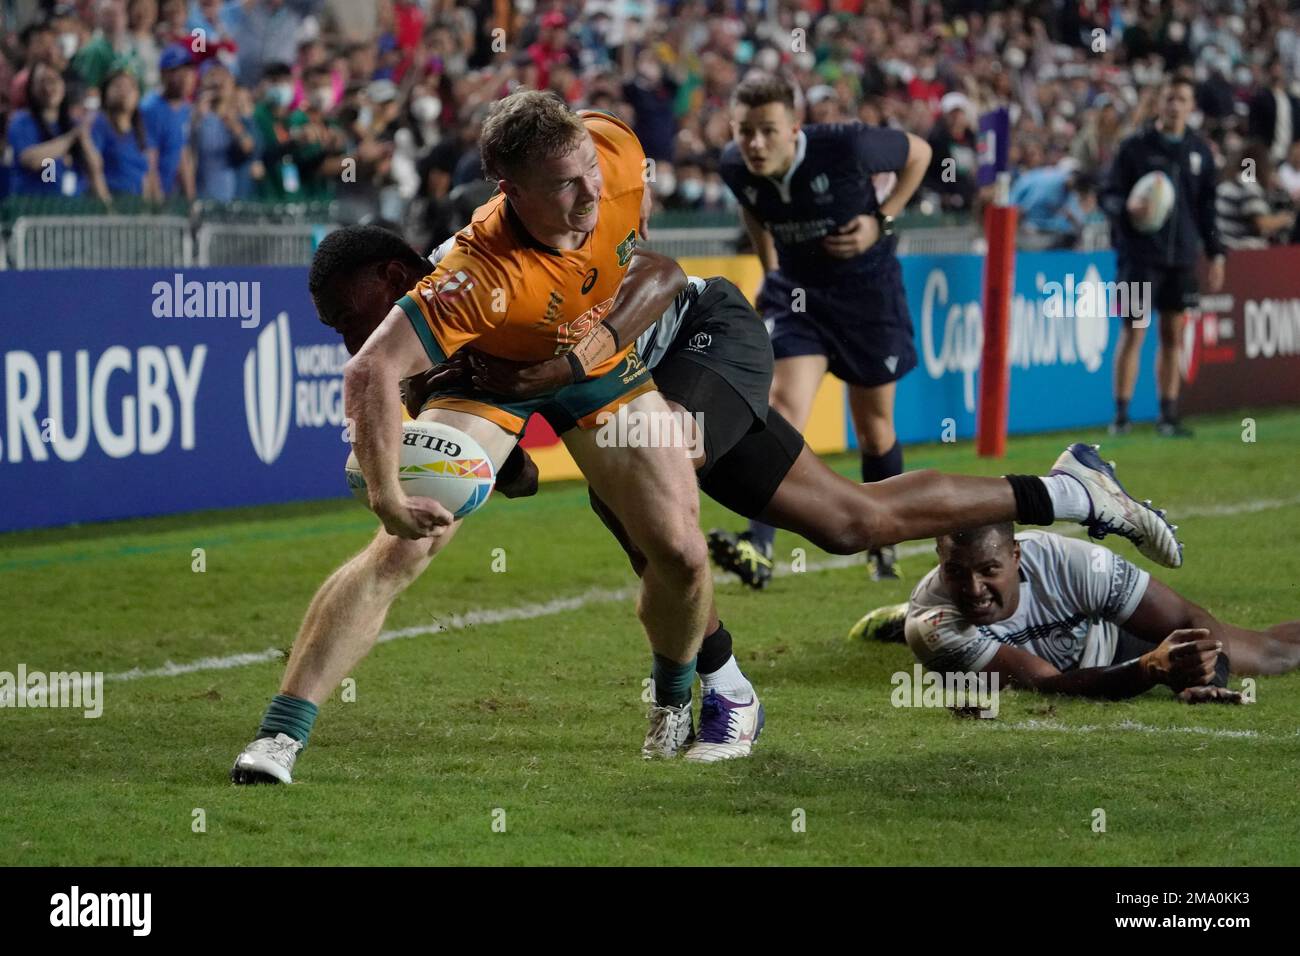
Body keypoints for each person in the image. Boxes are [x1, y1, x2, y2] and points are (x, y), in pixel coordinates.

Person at [230, 91, 726, 783]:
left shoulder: (612, 145)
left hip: (601, 363)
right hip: (494, 377)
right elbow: (371, 367)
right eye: (563, 185)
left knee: (681, 553)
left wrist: (591, 335)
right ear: (511, 191)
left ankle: (673, 701)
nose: (589, 193)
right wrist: (385, 495)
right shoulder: (477, 273)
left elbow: (642, 242)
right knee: (402, 551)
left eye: (589, 172)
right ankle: (279, 737)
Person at [714, 71, 932, 585]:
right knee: (781, 411)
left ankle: (884, 542)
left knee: (874, 429)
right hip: (798, 299)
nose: (755, 143)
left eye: (768, 130)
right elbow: (753, 210)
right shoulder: (733, 165)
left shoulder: (848, 145)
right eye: (745, 130)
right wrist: (769, 270)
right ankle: (758, 548)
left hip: (868, 297)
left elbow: (920, 153)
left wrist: (882, 220)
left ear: (795, 128)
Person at [852, 523, 1300, 703]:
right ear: (938, 559)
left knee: (1275, 656)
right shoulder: (935, 622)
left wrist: (1205, 679)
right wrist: (1149, 670)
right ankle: (899, 624)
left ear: (1016, 555)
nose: (973, 589)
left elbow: (1189, 620)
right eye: (956, 572)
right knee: (932, 634)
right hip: (1045, 662)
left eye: (989, 570)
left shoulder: (1073, 563)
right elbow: (1046, 684)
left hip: (1106, 636)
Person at [1102, 75, 1226, 439]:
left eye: (1181, 99)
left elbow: (1208, 209)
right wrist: (1126, 206)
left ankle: (1168, 416)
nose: (1174, 105)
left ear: (1191, 107)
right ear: (1159, 104)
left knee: (1173, 333)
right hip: (1139, 257)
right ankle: (1121, 416)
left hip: (1182, 258)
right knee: (1133, 330)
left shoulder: (1200, 152)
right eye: (1169, 98)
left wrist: (1216, 252)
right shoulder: (1135, 148)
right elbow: (1108, 194)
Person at [5, 60, 109, 202]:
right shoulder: (21, 121)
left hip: (70, 211)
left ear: (64, 85)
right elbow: (31, 159)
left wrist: (84, 139)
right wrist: (71, 137)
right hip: (32, 210)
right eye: (42, 82)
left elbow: (95, 169)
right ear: (31, 88)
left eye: (53, 81)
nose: (48, 88)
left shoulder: (75, 124)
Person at [90, 68, 160, 200]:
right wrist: (109, 210)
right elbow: (94, 172)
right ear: (105, 94)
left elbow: (148, 176)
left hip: (137, 209)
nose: (124, 91)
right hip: (109, 209)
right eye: (118, 86)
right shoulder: (98, 125)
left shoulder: (142, 132)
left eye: (130, 87)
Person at [140, 43, 196, 200]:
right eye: (178, 72)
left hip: (171, 193)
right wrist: (157, 204)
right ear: (163, 74)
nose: (186, 77)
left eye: (189, 71)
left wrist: (190, 200)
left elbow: (182, 153)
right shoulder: (150, 108)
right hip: (149, 197)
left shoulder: (185, 108)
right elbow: (149, 161)